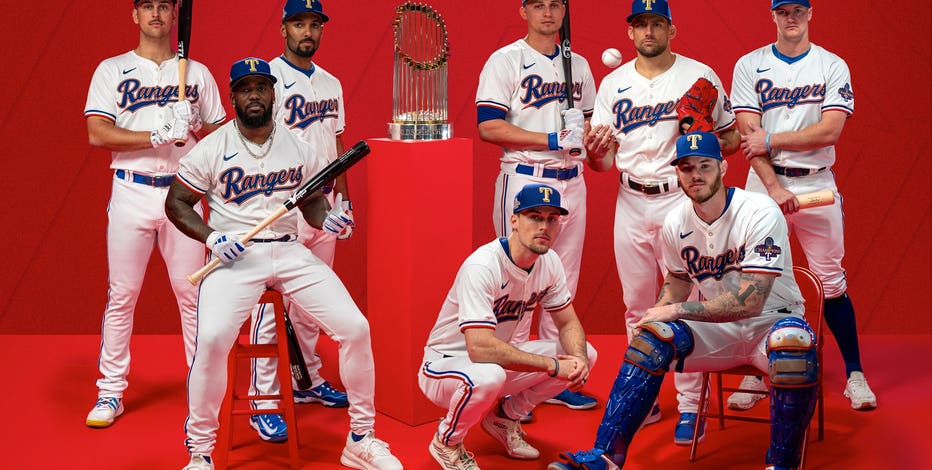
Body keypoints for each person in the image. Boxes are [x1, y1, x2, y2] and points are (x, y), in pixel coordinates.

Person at [165, 57, 402, 470]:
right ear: (233, 95)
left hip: (290, 251)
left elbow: (310, 201)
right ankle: (200, 452)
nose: (253, 94)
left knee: (357, 328)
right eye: (245, 88)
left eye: (261, 87)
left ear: (273, 93)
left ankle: (362, 438)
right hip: (235, 255)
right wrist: (212, 237)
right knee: (212, 341)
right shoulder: (213, 147)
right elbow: (177, 203)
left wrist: (326, 217)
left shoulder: (299, 145)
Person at [550, 132, 818, 470]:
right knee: (651, 340)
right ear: (677, 174)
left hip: (773, 321)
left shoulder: (759, 211)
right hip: (721, 332)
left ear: (722, 166)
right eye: (687, 168)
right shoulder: (676, 222)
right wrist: (658, 313)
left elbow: (750, 302)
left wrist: (675, 309)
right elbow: (678, 278)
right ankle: (605, 456)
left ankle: (783, 465)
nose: (696, 175)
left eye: (705, 166)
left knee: (791, 344)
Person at [582, 0, 740, 443]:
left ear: (672, 29)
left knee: (688, 302)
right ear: (630, 32)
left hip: (681, 199)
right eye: (640, 25)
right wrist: (596, 153)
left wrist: (708, 128)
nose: (648, 31)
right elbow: (604, 161)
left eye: (656, 24)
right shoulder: (612, 84)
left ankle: (691, 404)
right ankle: (645, 396)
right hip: (630, 199)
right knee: (636, 305)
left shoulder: (699, 75)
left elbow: (728, 139)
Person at [83, 0, 225, 429]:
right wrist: (156, 133)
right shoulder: (111, 69)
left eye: (164, 5)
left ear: (173, 13)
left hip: (182, 195)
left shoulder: (197, 74)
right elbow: (96, 132)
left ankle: (199, 390)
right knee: (122, 294)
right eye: (147, 6)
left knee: (192, 295)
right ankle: (110, 391)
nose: (156, 13)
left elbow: (223, 136)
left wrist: (195, 129)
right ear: (135, 15)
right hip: (131, 187)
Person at [728, 0, 876, 411]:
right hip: (763, 184)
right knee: (757, 280)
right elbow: (747, 134)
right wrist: (773, 186)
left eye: (798, 9)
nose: (790, 17)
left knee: (831, 281)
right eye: (783, 10)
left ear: (810, 13)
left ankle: (854, 374)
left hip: (815, 183)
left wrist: (773, 140)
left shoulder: (831, 65)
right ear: (772, 15)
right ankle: (757, 374)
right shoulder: (750, 65)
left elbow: (829, 131)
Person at [419, 183, 598, 469]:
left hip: (494, 361)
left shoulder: (549, 262)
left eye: (552, 219)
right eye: (535, 217)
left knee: (585, 353)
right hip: (444, 365)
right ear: (514, 220)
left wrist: (575, 359)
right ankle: (446, 442)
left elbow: (567, 322)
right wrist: (552, 365)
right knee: (489, 376)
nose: (544, 226)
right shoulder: (483, 266)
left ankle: (505, 418)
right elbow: (478, 348)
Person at [476, 0, 598, 411]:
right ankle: (505, 379)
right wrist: (549, 140)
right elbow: (489, 126)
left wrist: (597, 143)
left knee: (562, 279)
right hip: (526, 177)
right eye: (538, 4)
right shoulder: (506, 60)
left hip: (572, 182)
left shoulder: (577, 65)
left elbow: (587, 127)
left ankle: (553, 376)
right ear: (523, 10)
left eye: (555, 5)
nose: (548, 12)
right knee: (515, 280)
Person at [246, 0, 351, 442]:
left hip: (323, 204)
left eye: (314, 23)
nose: (307, 31)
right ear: (283, 29)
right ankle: (262, 398)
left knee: (312, 303)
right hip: (283, 205)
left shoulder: (331, 82)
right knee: (266, 310)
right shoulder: (266, 80)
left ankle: (305, 379)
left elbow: (338, 142)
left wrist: (344, 199)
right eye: (298, 23)